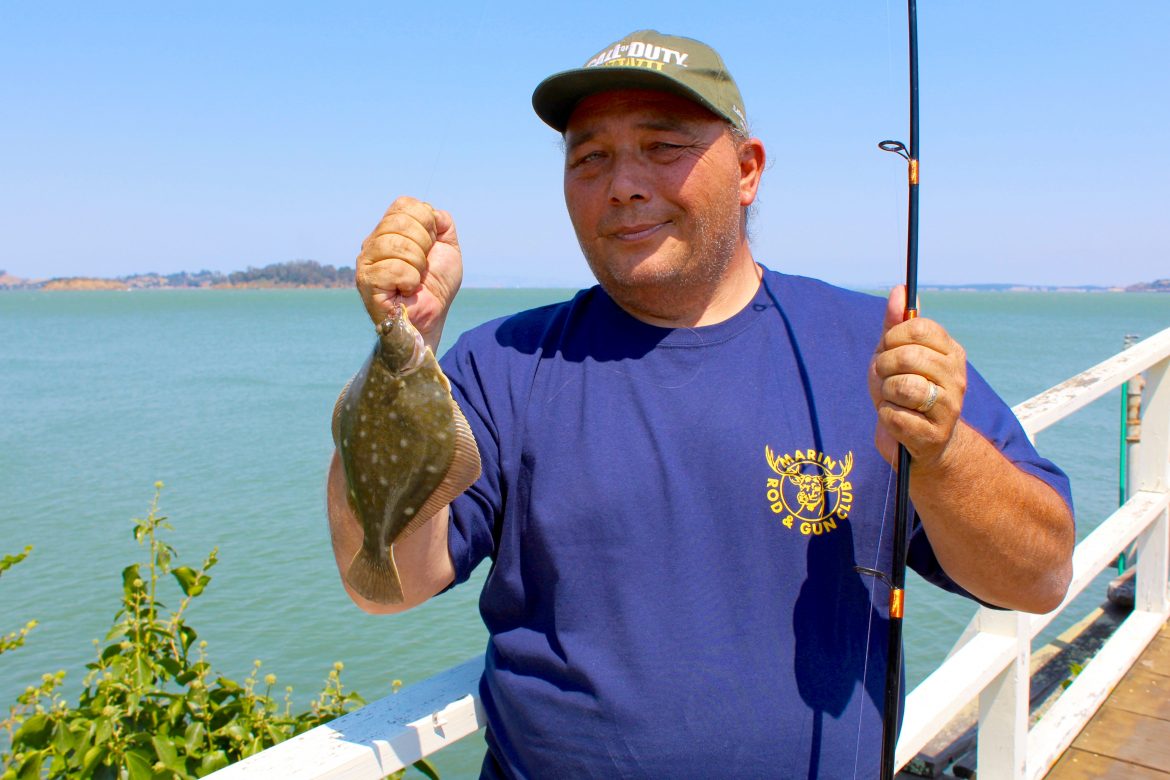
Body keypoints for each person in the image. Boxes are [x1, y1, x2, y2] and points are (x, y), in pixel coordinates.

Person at [326, 30, 1074, 778]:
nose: (623, 183)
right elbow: (383, 581)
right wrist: (405, 344)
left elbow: (1037, 577)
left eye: (661, 147)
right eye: (590, 157)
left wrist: (943, 459)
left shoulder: (870, 349)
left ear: (748, 170)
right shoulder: (504, 364)